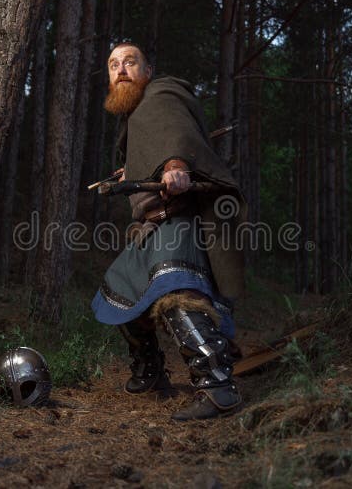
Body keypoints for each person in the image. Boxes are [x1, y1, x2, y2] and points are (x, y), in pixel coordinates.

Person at [90, 42, 246, 421]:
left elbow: (173, 131)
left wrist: (175, 165)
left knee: (178, 295)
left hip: (177, 219)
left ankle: (218, 388)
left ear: (148, 70)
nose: (121, 69)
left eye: (130, 62)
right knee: (123, 294)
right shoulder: (135, 115)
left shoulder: (161, 92)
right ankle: (151, 373)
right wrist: (133, 170)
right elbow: (153, 141)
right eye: (113, 65)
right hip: (150, 228)